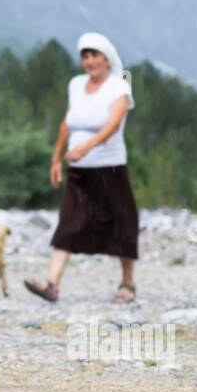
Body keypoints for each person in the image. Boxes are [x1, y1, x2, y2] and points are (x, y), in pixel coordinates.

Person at [24, 32, 139, 304]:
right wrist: (56, 158)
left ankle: (128, 283)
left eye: (94, 55)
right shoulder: (76, 85)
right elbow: (67, 123)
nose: (89, 61)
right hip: (79, 170)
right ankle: (51, 284)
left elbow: (112, 126)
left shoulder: (118, 88)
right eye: (85, 56)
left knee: (122, 222)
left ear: (106, 59)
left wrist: (87, 147)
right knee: (69, 223)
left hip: (109, 167)